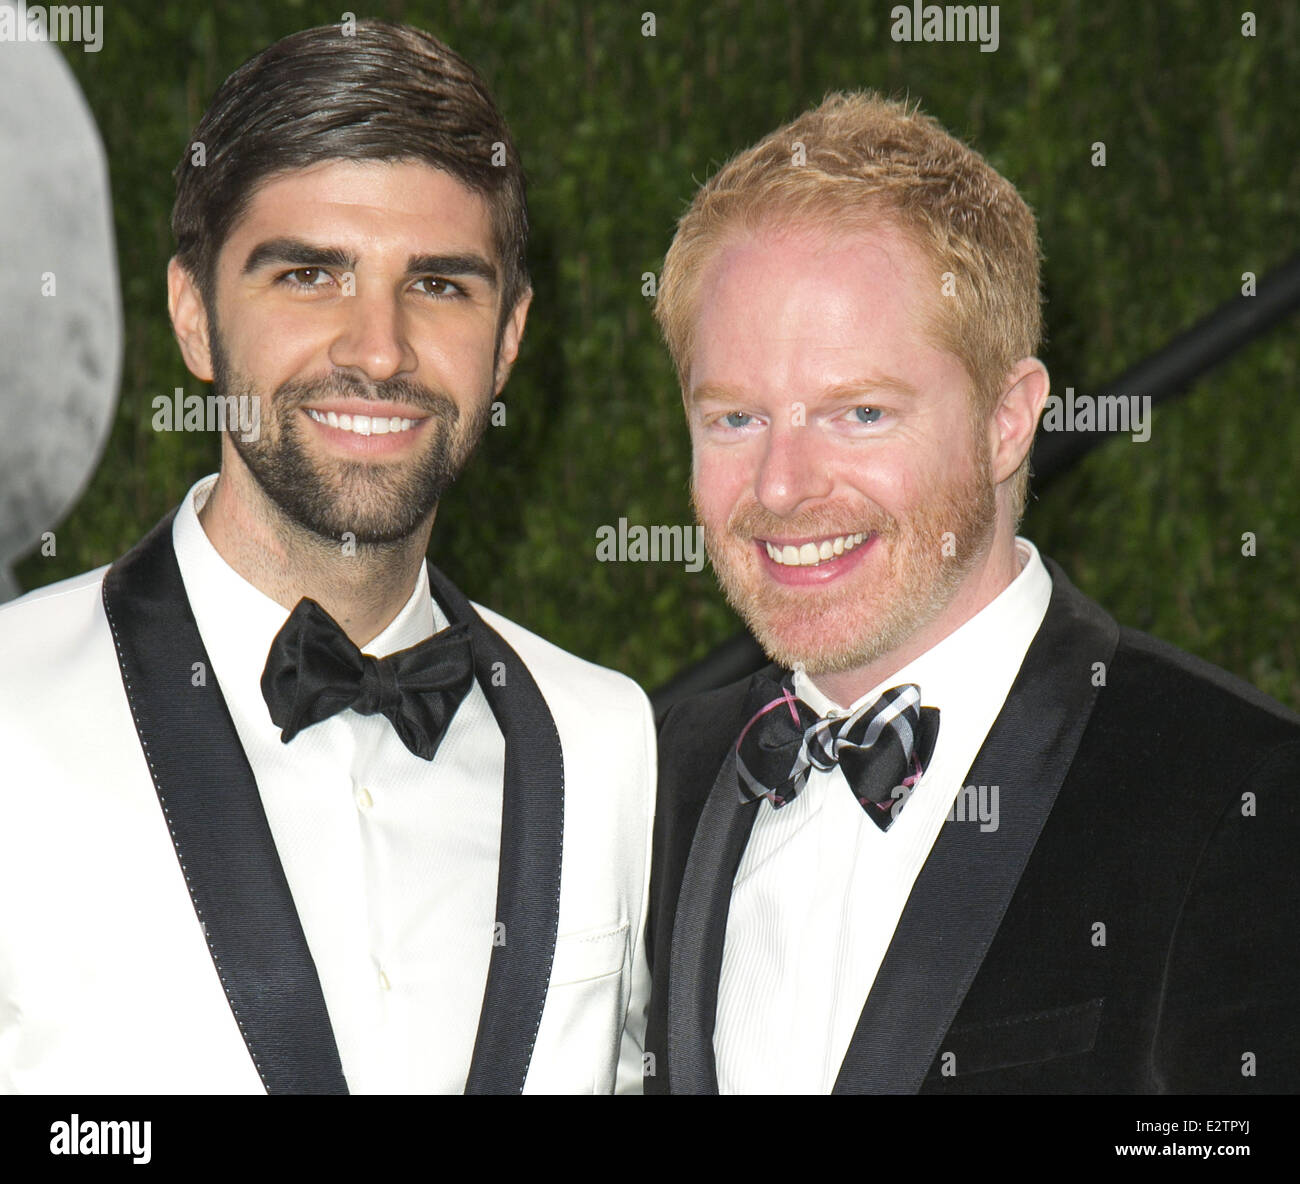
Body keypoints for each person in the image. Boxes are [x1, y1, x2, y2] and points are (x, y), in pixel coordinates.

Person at [0, 20, 653, 1095]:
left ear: (508, 339)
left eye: (439, 285)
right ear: (194, 317)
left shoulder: (606, 742)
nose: (379, 351)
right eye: (310, 275)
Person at [643, 91, 1300, 1094]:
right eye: (735, 418)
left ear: (1007, 421)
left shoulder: (1238, 796)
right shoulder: (642, 786)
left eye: (860, 412)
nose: (780, 487)